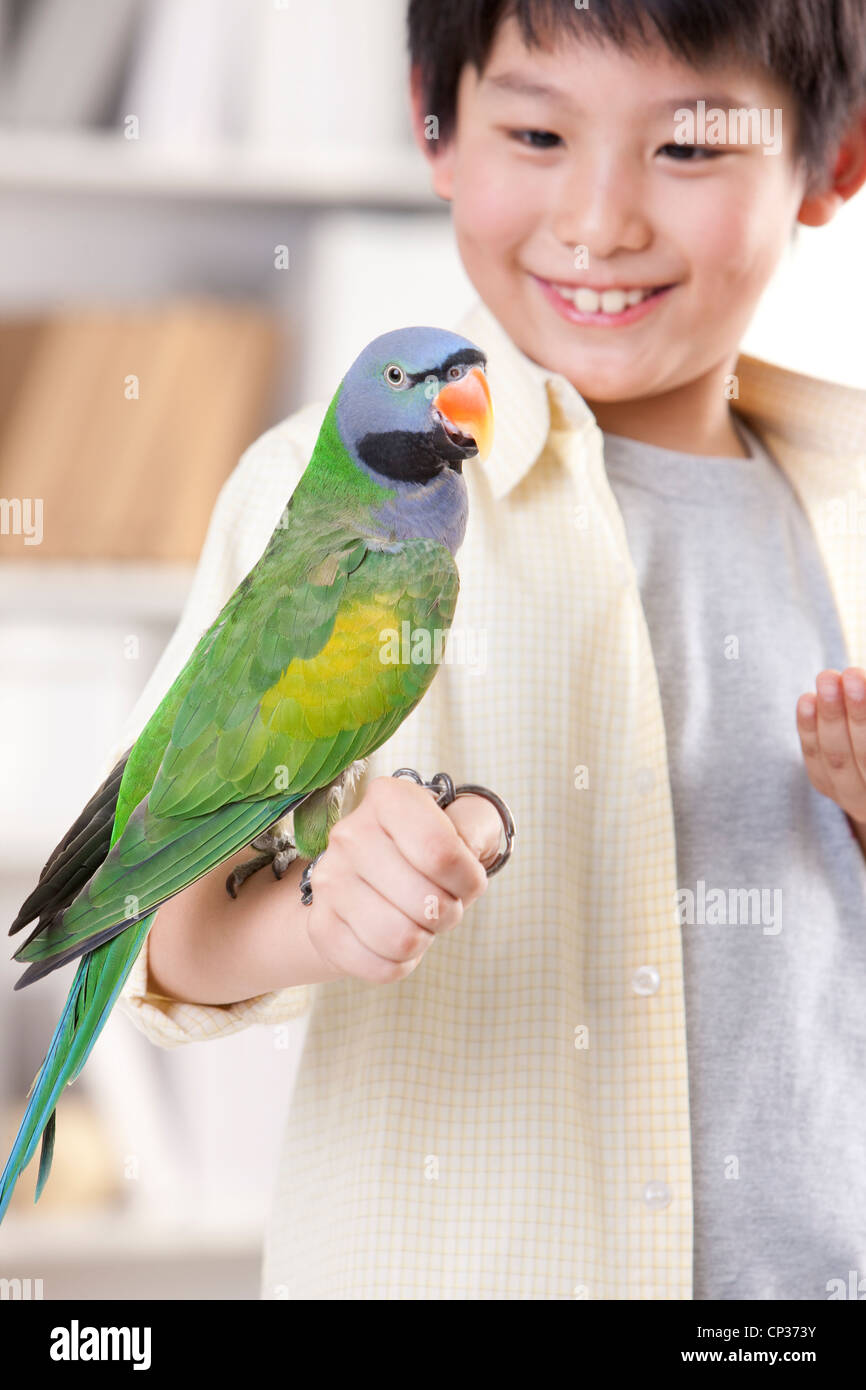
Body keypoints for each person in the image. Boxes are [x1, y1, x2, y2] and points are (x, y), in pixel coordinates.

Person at [114, 0, 866, 1299]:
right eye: (534, 130)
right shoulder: (311, 492)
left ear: (833, 157)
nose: (599, 217)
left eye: (686, 147)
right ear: (434, 125)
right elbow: (165, 935)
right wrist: (316, 912)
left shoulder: (848, 503)